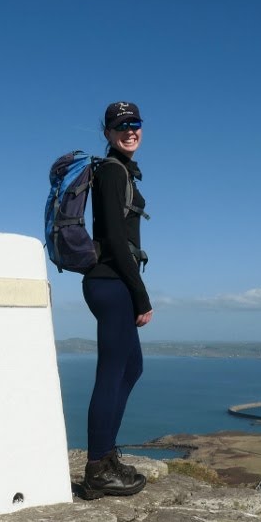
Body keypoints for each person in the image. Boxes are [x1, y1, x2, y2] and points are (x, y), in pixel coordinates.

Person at [79, 101, 152, 500]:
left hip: (114, 282)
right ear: (107, 132)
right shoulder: (110, 172)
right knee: (111, 372)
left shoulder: (121, 171)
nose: (130, 131)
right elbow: (114, 242)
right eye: (121, 126)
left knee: (131, 368)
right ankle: (97, 468)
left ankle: (106, 455)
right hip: (111, 283)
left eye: (135, 124)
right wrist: (141, 296)